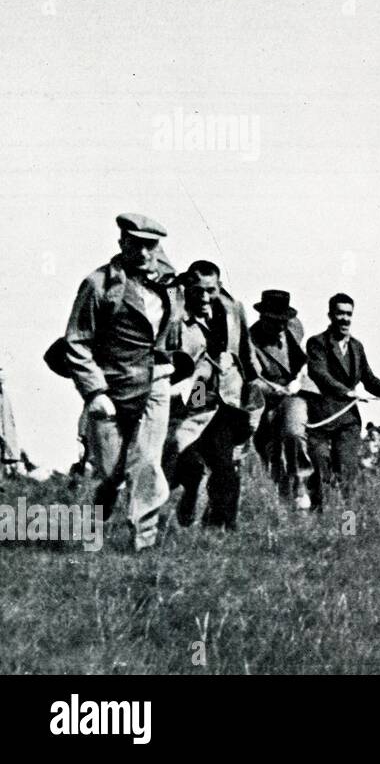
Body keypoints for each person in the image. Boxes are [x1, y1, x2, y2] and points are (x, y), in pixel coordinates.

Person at [59, 214, 184, 550]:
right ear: (121, 243)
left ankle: (143, 542)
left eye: (152, 245)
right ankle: (93, 530)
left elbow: (173, 334)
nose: (145, 253)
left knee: (147, 463)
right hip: (111, 388)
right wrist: (95, 391)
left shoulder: (170, 285)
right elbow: (77, 342)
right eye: (136, 244)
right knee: (111, 473)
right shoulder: (100, 285)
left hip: (156, 383)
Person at [164, 261, 262, 530]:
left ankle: (222, 526)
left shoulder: (233, 310)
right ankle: (188, 495)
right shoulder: (175, 318)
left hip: (227, 396)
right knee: (189, 457)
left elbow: (247, 354)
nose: (205, 298)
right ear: (188, 288)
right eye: (198, 291)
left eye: (211, 290)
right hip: (196, 393)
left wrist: (252, 395)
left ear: (219, 286)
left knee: (224, 463)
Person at [304, 293, 380, 509]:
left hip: (348, 420)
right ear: (330, 315)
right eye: (340, 313)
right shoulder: (317, 343)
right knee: (321, 473)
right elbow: (319, 373)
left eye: (349, 314)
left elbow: (368, 379)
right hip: (321, 418)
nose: (345, 319)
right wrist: (345, 392)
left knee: (347, 475)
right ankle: (318, 520)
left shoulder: (357, 347)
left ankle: (349, 528)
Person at [248, 289, 315, 510]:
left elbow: (303, 360)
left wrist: (297, 378)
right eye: (275, 323)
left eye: (284, 322)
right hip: (264, 399)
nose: (281, 328)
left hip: (292, 395)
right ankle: (283, 495)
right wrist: (274, 389)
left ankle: (300, 484)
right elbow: (249, 378)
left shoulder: (293, 328)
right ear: (263, 318)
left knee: (294, 432)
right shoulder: (249, 341)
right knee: (269, 450)